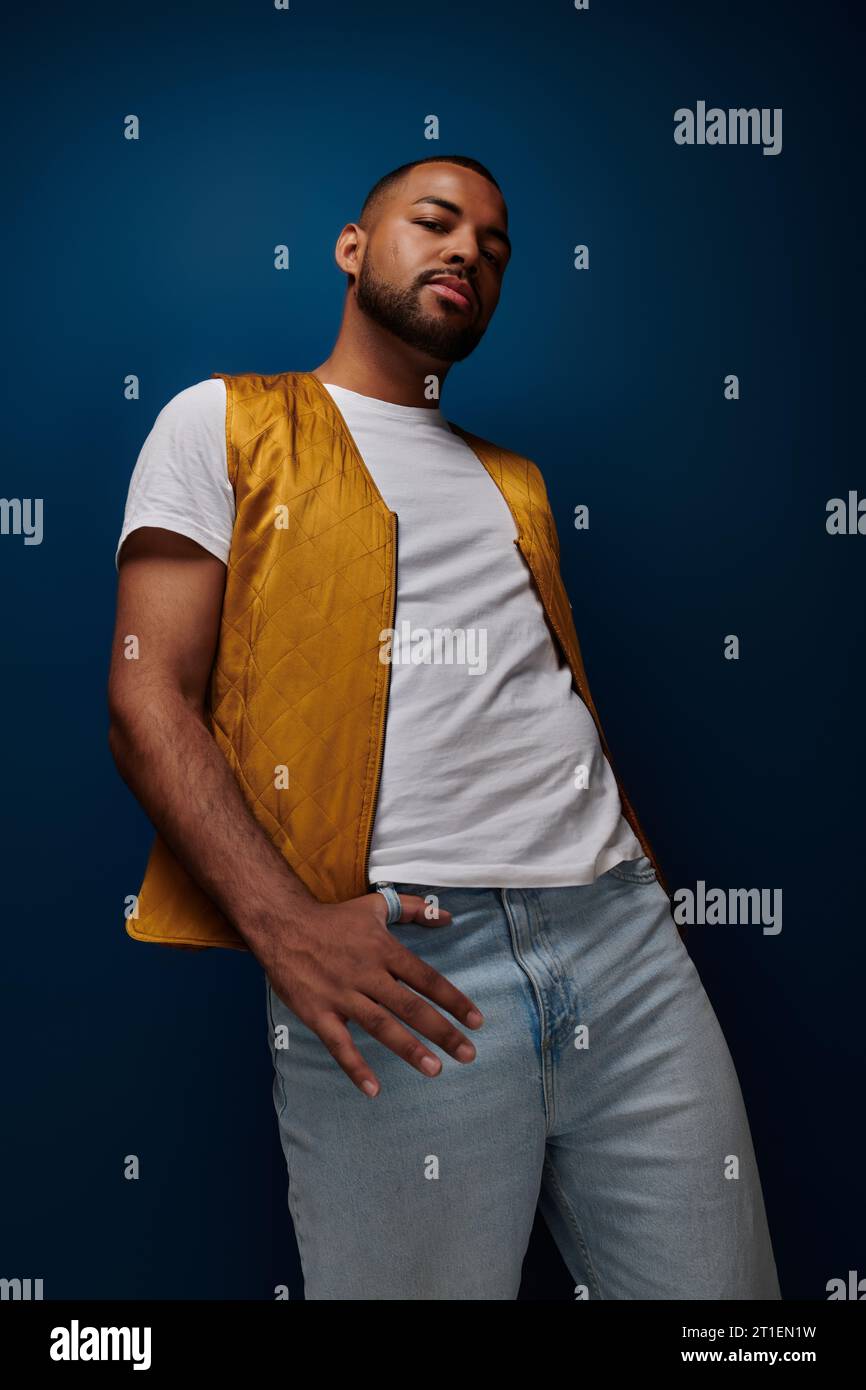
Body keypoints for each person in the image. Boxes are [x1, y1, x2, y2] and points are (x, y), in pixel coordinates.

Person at [108, 154, 781, 1300]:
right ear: (352, 247)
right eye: (435, 221)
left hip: (619, 943)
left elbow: (543, 696)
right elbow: (144, 696)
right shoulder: (225, 420)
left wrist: (638, 883)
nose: (469, 248)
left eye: (495, 245)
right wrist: (286, 928)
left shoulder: (512, 480)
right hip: (405, 960)